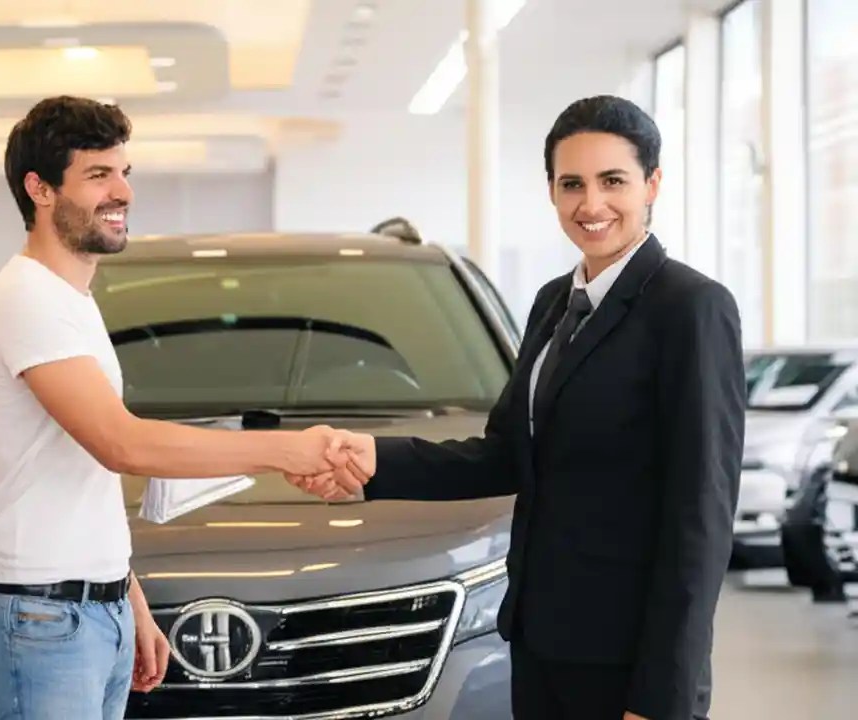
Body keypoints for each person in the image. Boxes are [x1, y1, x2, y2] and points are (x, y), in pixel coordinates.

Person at [296, 95, 745, 720]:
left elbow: (701, 519)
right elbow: (508, 456)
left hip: (630, 663)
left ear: (653, 185)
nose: (591, 205)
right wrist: (373, 459)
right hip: (541, 644)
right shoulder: (553, 303)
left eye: (613, 181)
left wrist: (661, 695)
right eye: (572, 184)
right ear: (553, 192)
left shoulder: (690, 308)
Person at [0, 95, 363, 719]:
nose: (122, 191)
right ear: (39, 189)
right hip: (39, 620)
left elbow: (77, 480)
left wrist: (128, 598)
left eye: (125, 172)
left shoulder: (71, 300)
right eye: (98, 175)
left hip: (87, 610)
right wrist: (286, 448)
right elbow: (122, 445)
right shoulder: (27, 300)